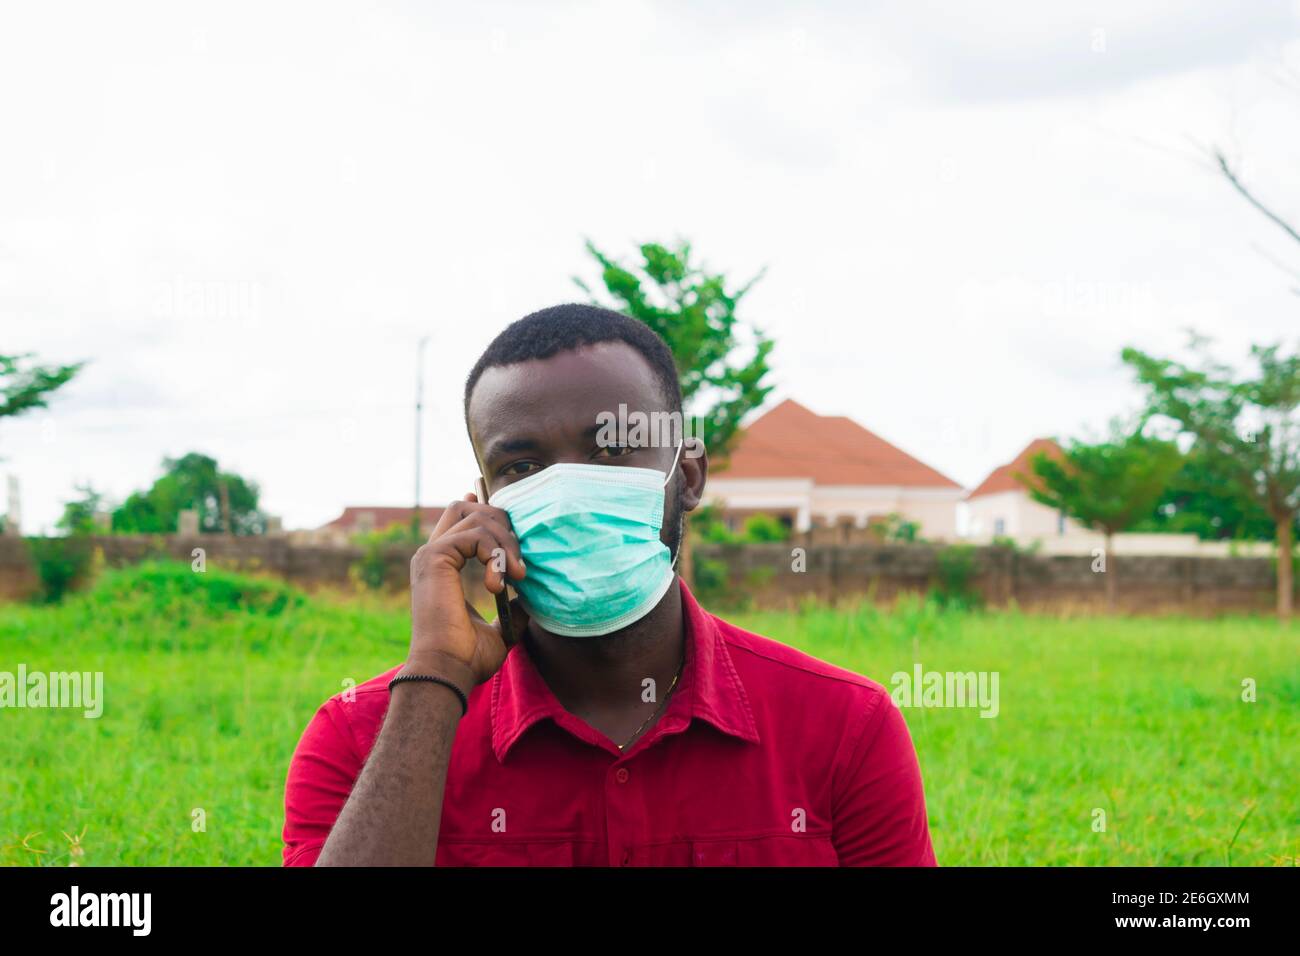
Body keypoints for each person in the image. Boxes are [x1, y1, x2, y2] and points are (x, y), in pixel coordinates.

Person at [283, 303, 937, 867]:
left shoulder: (844, 727)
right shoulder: (361, 739)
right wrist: (435, 675)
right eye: (523, 464)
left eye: (611, 448)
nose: (567, 493)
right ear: (484, 503)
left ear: (687, 477)